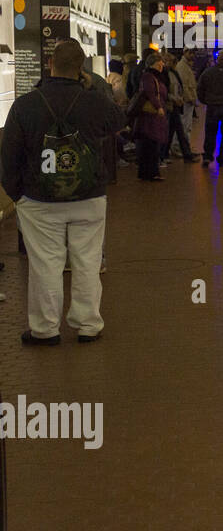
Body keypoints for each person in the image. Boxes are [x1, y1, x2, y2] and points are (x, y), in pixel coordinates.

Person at [0, 40, 125, 344]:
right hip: (89, 197)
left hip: (40, 201)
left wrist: (18, 195)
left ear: (50, 65)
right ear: (81, 69)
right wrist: (91, 89)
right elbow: (119, 120)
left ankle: (45, 330)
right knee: (87, 262)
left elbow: (8, 156)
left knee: (46, 265)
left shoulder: (25, 105)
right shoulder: (92, 101)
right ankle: (88, 325)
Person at [133, 52, 169, 182]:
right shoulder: (149, 76)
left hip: (153, 116)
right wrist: (158, 106)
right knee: (151, 143)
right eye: (159, 63)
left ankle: (149, 172)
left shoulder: (154, 76)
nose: (162, 66)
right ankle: (150, 172)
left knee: (151, 143)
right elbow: (150, 93)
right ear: (153, 64)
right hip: (150, 116)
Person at [163, 54, 197, 164]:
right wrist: (175, 98)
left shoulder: (174, 73)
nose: (173, 63)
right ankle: (167, 154)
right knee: (174, 131)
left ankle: (184, 154)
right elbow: (165, 92)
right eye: (171, 61)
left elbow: (180, 87)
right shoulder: (165, 75)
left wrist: (181, 97)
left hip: (176, 106)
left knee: (177, 130)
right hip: (169, 106)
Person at [176, 49, 199, 145]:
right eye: (190, 53)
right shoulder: (182, 67)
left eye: (193, 53)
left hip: (187, 100)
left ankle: (185, 147)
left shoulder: (186, 66)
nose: (192, 55)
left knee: (186, 125)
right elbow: (184, 85)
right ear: (184, 53)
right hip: (186, 101)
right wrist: (191, 99)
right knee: (185, 125)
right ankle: (183, 147)